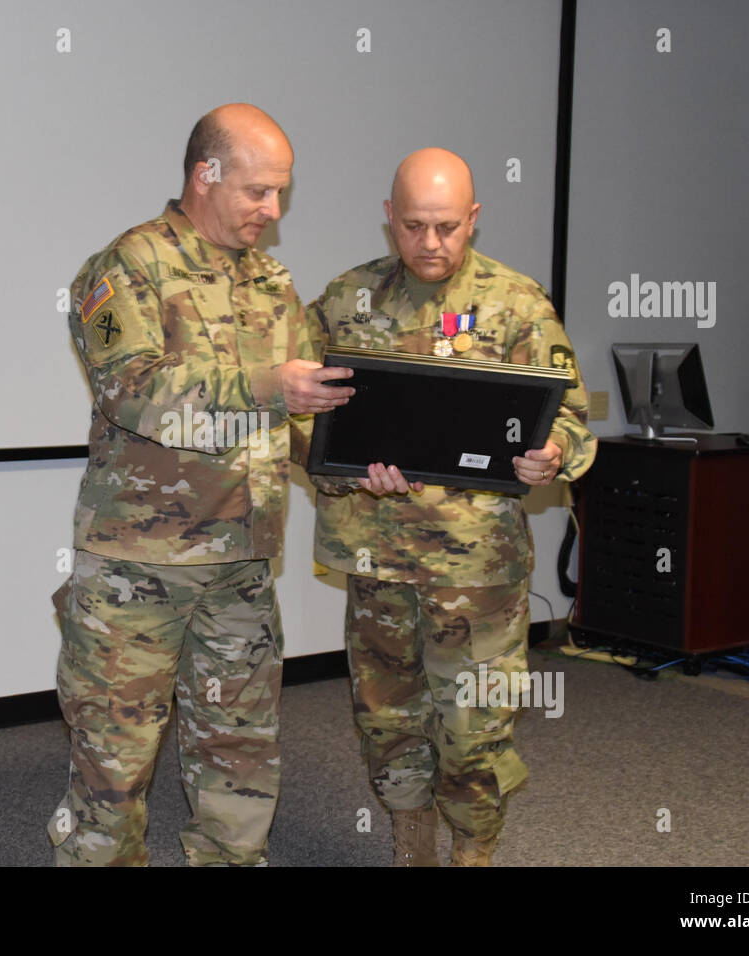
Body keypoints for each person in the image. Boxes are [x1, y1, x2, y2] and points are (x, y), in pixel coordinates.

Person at [47, 103, 353, 866]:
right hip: (136, 572)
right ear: (204, 174)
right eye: (258, 191)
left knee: (239, 757)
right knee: (114, 767)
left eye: (281, 192)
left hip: (241, 568)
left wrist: (356, 463)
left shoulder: (272, 284)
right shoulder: (126, 267)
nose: (272, 210)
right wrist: (268, 385)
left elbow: (304, 413)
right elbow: (134, 390)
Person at [309, 148, 597, 866]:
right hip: (378, 560)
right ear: (388, 219)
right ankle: (413, 847)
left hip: (477, 569)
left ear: (473, 218)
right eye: (412, 226)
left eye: (446, 226)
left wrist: (553, 454)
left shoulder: (517, 303)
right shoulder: (346, 303)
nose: (430, 244)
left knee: (474, 729)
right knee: (388, 720)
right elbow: (299, 417)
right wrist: (345, 473)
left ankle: (474, 852)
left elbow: (572, 418)